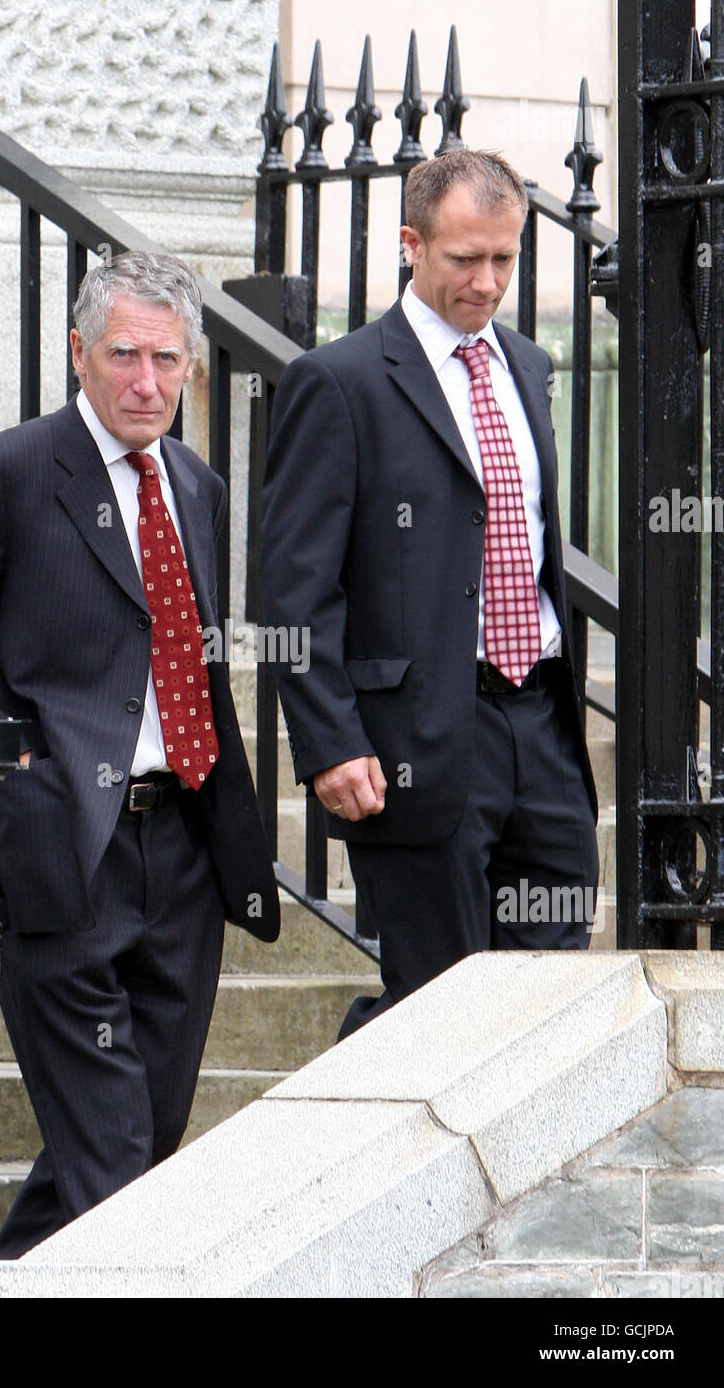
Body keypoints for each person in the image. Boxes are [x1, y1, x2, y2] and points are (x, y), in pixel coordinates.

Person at [261, 149, 597, 1040]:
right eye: (464, 260)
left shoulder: (528, 367)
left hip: (544, 733)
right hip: (416, 745)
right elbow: (295, 586)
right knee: (439, 1017)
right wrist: (329, 742)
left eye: (505, 260)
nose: (487, 283)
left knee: (547, 1011)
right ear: (410, 245)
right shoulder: (340, 382)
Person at [0, 250, 279, 1257]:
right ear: (79, 351)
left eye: (168, 359)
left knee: (143, 1137)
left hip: (183, 848)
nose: (147, 382)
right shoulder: (14, 469)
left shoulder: (195, 485)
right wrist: (18, 768)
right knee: (112, 1144)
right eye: (124, 357)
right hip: (69, 844)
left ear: (193, 363)